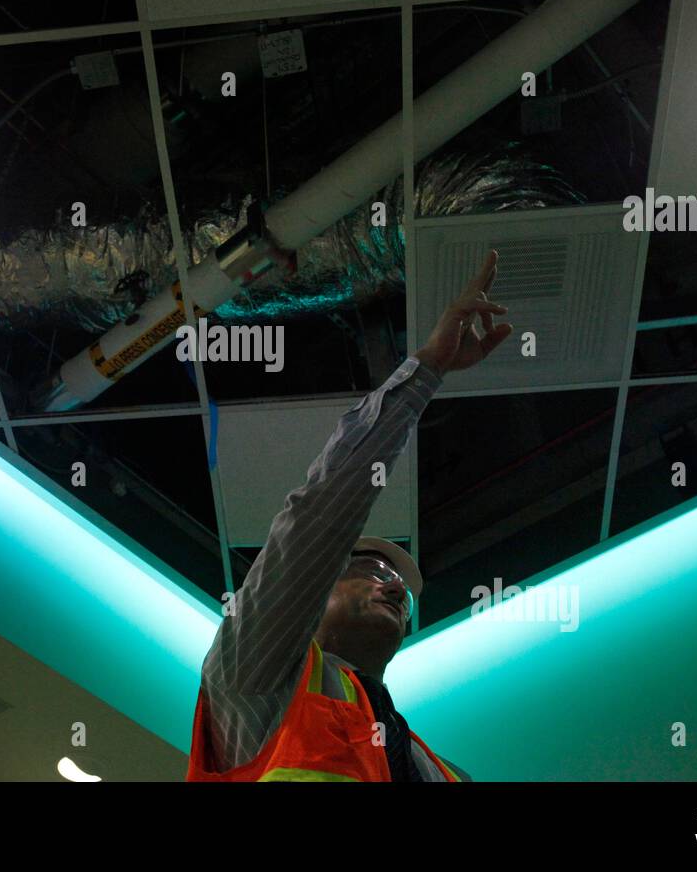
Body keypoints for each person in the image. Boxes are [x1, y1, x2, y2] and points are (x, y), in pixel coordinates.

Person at [187, 249, 512, 782]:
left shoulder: (443, 773)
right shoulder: (256, 678)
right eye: (371, 572)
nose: (394, 591)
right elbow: (318, 517)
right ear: (317, 592)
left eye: (400, 590)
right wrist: (426, 370)